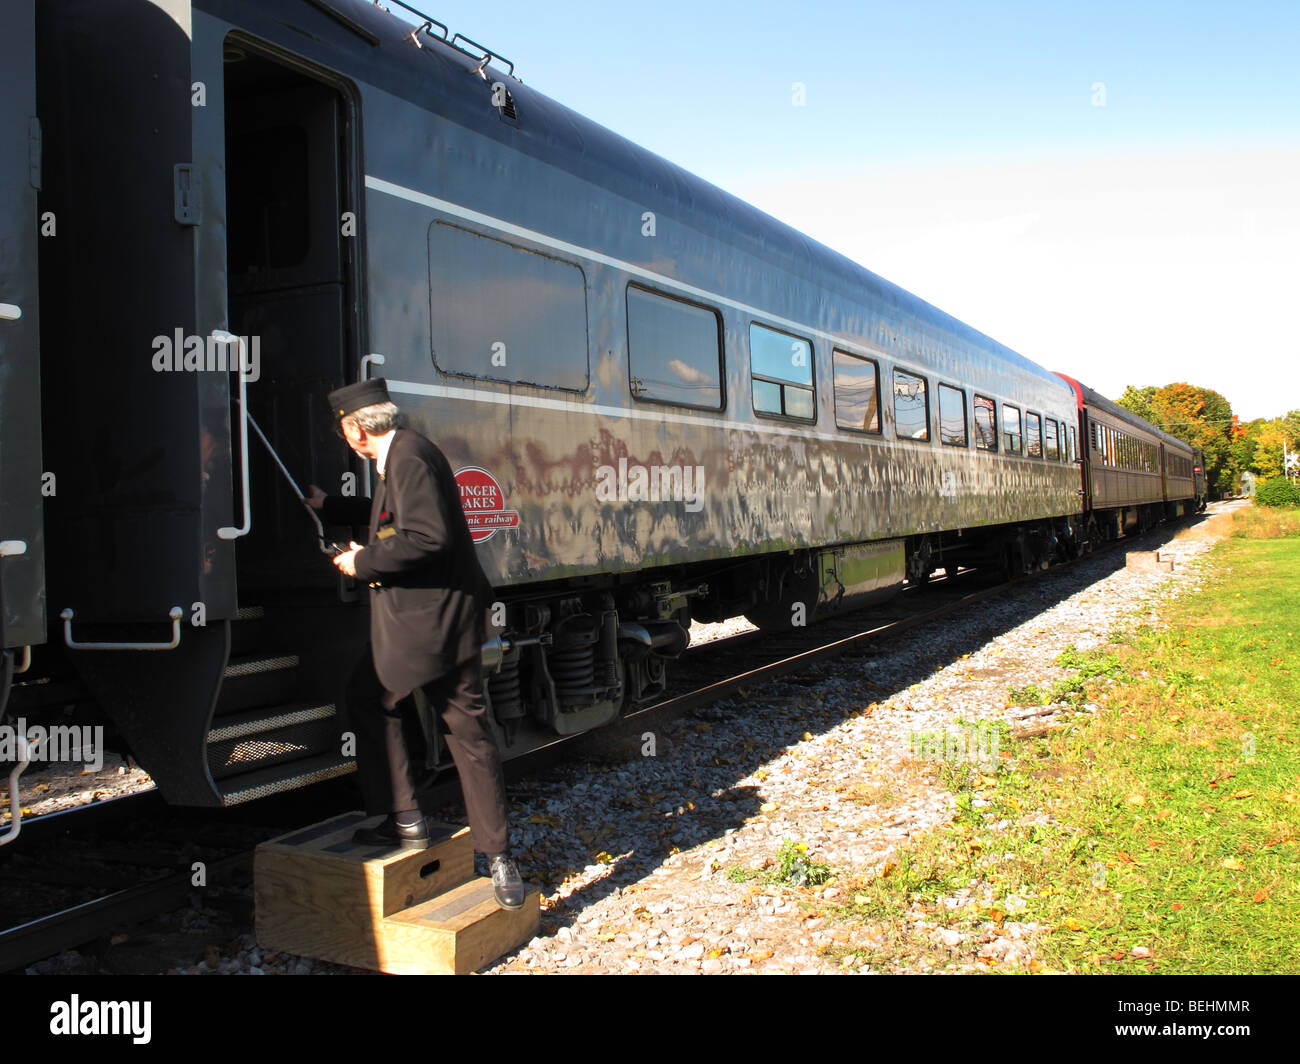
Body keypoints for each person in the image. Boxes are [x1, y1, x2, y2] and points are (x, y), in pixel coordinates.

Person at [305, 378, 523, 910]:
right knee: (456, 728)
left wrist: (362, 561)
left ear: (355, 429)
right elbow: (393, 512)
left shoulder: (405, 459)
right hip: (439, 620)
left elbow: (426, 536)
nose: (343, 435)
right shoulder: (405, 452)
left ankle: (414, 823)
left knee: (387, 703)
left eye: (342, 428)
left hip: (427, 624)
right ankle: (488, 855)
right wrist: (332, 505)